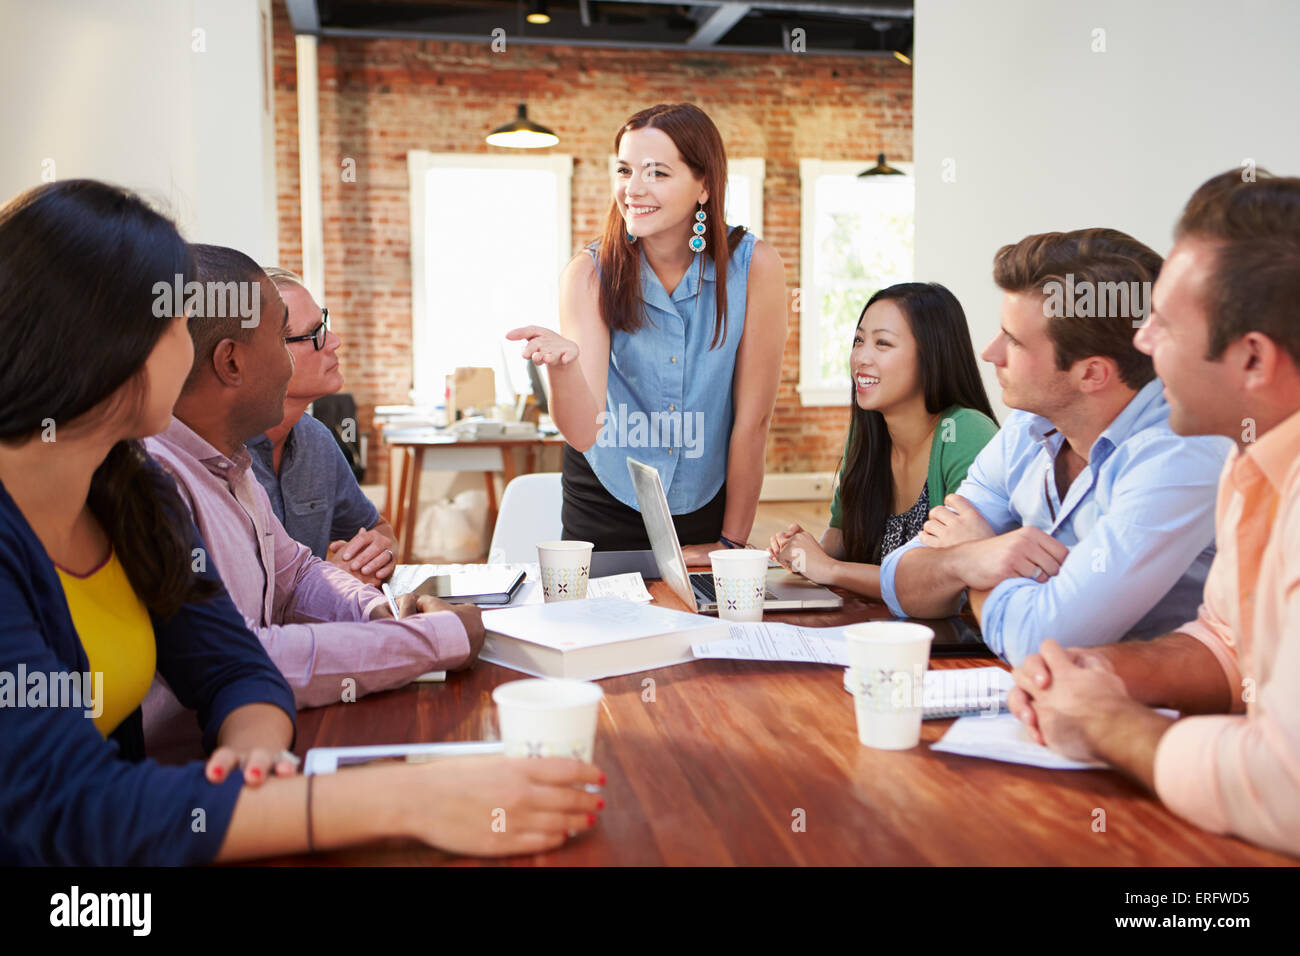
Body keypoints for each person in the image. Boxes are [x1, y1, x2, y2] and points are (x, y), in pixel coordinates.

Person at [0, 180, 602, 864]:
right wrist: (411, 796)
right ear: (107, 345)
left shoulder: (130, 493)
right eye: (174, 325)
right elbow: (73, 810)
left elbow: (232, 663)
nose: (189, 343)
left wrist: (251, 764)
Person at [1009, 170, 1300, 857]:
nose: (1141, 342)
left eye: (1164, 323)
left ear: (1251, 358)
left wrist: (1113, 726)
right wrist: (1100, 673)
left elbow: (1287, 787)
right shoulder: (1249, 460)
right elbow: (1230, 642)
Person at [141, 244, 484, 761]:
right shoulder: (158, 478)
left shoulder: (228, 462)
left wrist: (378, 611)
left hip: (267, 741)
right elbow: (245, 654)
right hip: (186, 776)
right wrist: (437, 638)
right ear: (231, 361)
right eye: (282, 340)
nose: (331, 343)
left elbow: (297, 573)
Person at [880, 228, 1231, 664]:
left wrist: (972, 564)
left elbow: (1040, 643)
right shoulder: (1028, 425)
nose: (990, 353)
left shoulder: (1179, 456)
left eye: (1014, 340)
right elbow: (899, 582)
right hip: (1041, 703)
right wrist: (973, 557)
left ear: (1092, 374)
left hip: (1152, 714)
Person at [507, 102, 788, 562]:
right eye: (624, 170)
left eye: (657, 173)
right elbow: (582, 431)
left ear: (704, 185)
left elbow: (752, 422)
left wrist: (731, 542)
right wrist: (564, 368)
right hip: (605, 498)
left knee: (700, 631)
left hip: (704, 501)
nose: (632, 189)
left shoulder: (756, 268)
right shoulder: (589, 274)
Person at [767, 282, 998, 599]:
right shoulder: (869, 432)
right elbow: (843, 532)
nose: (861, 357)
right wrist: (805, 553)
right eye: (859, 340)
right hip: (875, 627)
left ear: (931, 355)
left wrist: (832, 570)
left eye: (883, 344)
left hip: (950, 638)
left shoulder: (965, 432)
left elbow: (945, 579)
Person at [246, 266, 397, 587]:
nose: (335, 342)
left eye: (324, 324)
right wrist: (327, 581)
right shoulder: (217, 458)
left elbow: (377, 529)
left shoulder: (317, 439)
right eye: (314, 332)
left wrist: (377, 551)